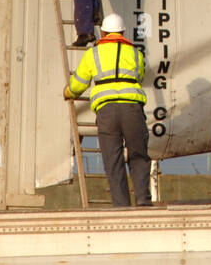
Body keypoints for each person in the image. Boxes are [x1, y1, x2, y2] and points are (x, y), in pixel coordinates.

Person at [64, 14, 153, 207]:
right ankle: (143, 202)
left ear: (103, 32)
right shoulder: (136, 53)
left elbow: (79, 84)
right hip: (133, 110)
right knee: (138, 156)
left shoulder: (92, 54)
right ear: (122, 33)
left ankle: (121, 206)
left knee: (113, 160)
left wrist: (68, 92)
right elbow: (140, 76)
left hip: (107, 112)